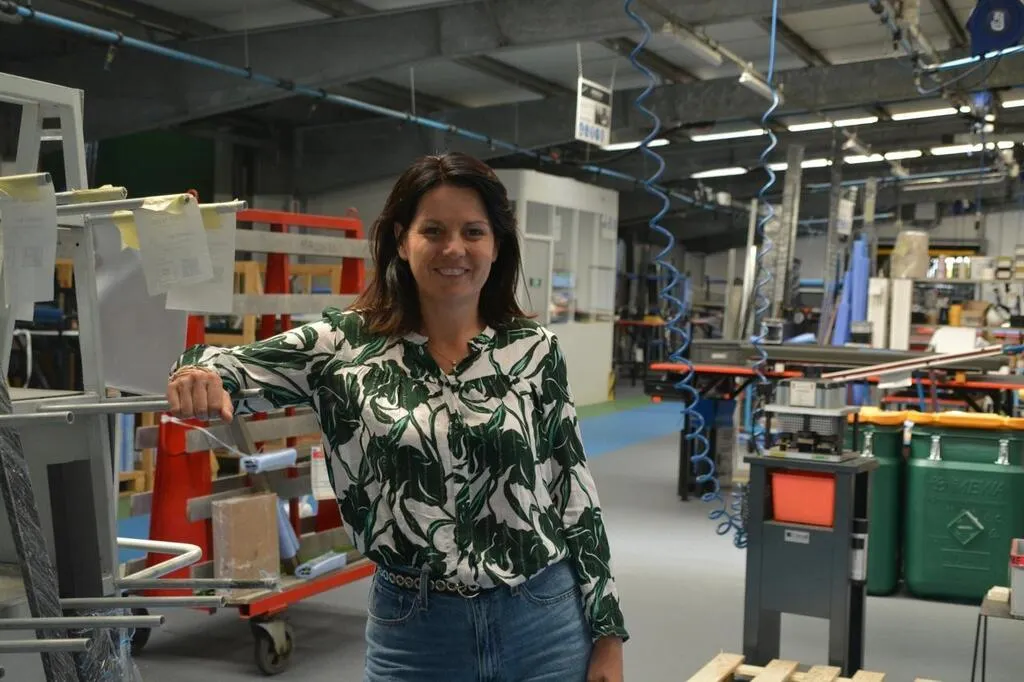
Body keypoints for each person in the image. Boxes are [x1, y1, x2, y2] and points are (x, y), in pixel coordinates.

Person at [166, 152, 628, 681]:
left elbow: (576, 495)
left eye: (473, 231)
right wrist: (192, 373)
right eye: (433, 230)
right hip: (417, 632)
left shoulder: (534, 351)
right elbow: (216, 368)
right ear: (401, 242)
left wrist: (607, 634)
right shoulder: (341, 348)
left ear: (497, 246)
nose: (455, 248)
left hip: (544, 623)